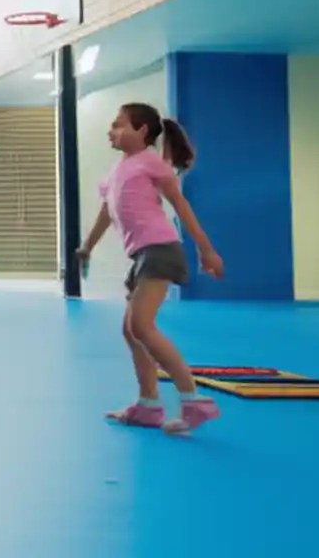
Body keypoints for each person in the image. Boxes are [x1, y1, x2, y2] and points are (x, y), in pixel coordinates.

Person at [77, 102, 224, 435]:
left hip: (160, 249)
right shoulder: (119, 169)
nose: (110, 131)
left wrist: (206, 250)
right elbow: (107, 212)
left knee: (141, 327)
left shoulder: (152, 165)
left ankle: (193, 401)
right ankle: (148, 404)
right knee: (131, 331)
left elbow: (181, 207)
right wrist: (87, 246)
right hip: (142, 254)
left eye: (118, 125)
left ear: (141, 130)